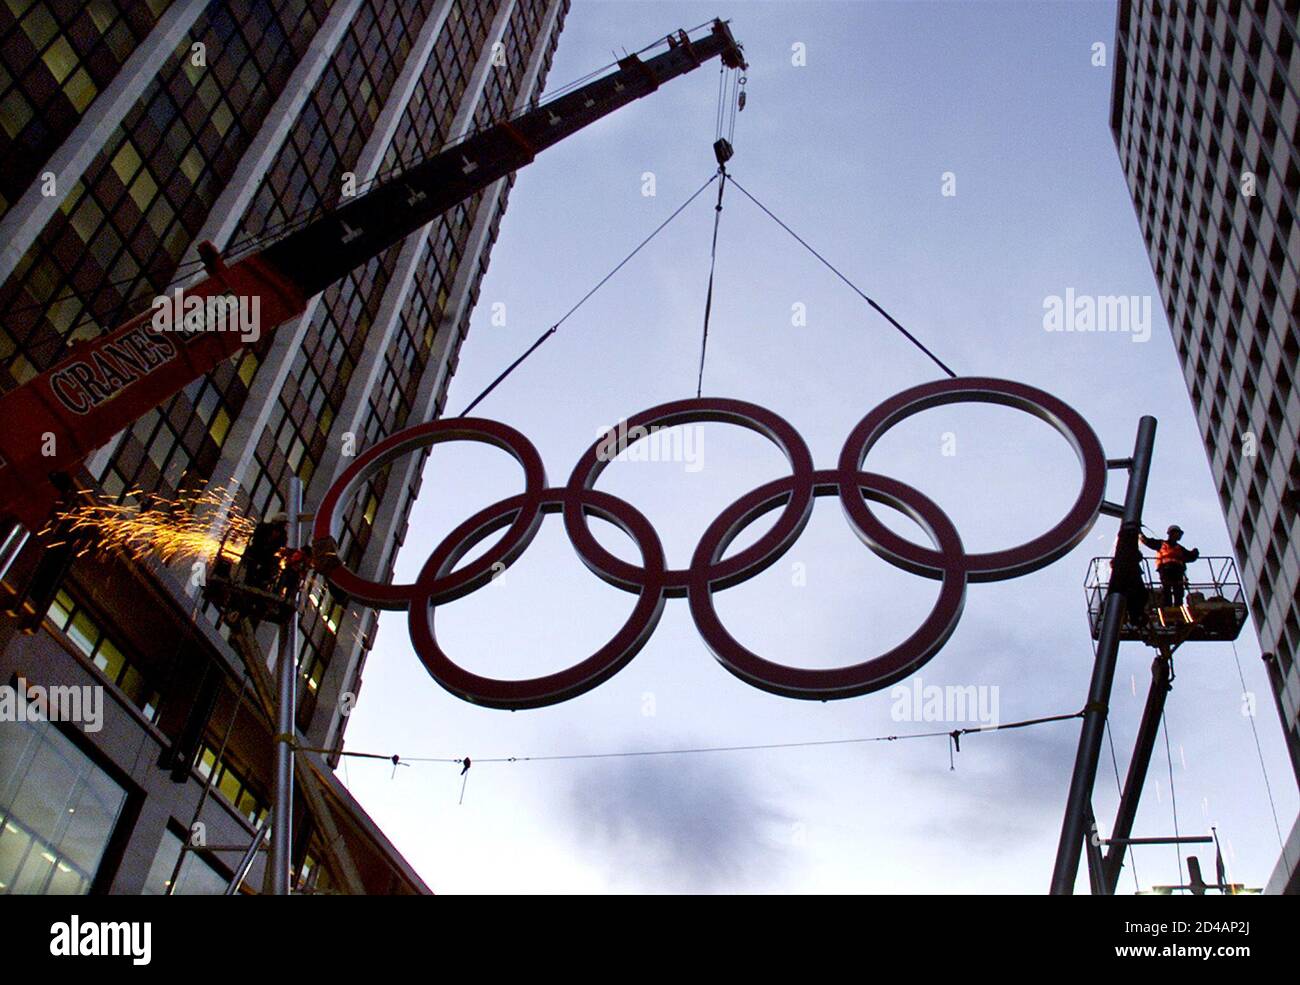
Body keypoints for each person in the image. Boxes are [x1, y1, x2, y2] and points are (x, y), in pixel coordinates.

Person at [1141, 524, 1199, 607]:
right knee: (1167, 589)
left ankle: (1178, 607)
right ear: (1172, 533)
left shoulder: (1180, 548)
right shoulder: (1161, 544)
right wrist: (1139, 532)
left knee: (1178, 590)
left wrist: (1195, 553)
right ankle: (1167, 606)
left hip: (1178, 571)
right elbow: (1146, 541)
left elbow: (1190, 557)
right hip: (1165, 570)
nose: (1179, 536)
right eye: (1178, 533)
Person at [1109, 523, 1150, 628]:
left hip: (1125, 577)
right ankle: (1128, 533)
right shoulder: (1139, 598)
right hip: (1129, 576)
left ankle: (1128, 533)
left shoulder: (1137, 600)